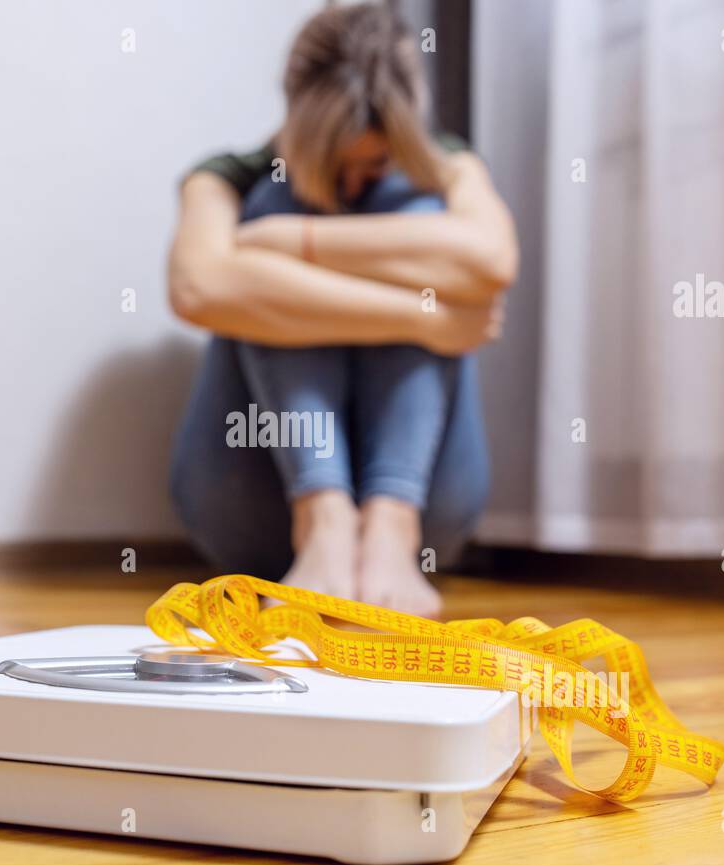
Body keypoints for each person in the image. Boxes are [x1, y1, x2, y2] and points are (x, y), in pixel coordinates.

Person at [166, 2, 517, 617]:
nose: (354, 186)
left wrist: (290, 245)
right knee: (273, 204)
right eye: (336, 165)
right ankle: (322, 517)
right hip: (253, 513)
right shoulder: (225, 178)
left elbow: (490, 262)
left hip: (430, 514)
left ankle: (390, 524)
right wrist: (425, 315)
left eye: (374, 164)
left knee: (419, 209)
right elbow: (198, 289)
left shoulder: (451, 166)